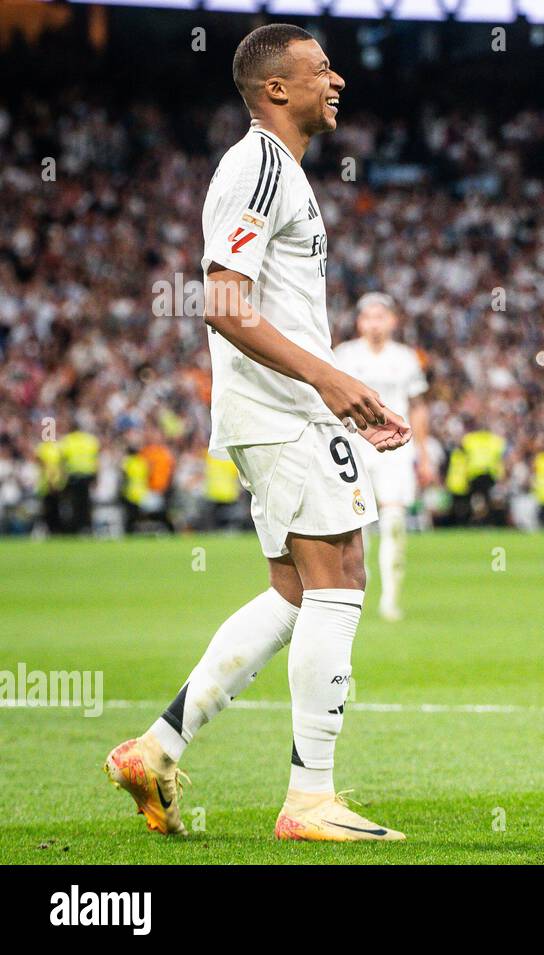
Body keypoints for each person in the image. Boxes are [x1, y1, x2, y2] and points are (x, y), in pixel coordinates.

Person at [103, 24, 411, 843]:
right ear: (276, 88)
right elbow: (224, 301)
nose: (337, 80)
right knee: (341, 574)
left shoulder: (282, 172)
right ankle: (310, 798)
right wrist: (329, 377)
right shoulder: (260, 166)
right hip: (283, 409)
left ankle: (157, 747)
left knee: (295, 590)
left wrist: (339, 384)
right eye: (320, 70)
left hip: (279, 407)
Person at [334, 292, 432, 621]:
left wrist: (424, 453)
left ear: (392, 321)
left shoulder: (405, 358)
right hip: (354, 446)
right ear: (360, 322)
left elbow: (418, 406)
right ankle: (357, 591)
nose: (375, 324)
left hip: (396, 448)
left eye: (381, 317)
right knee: (356, 524)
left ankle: (391, 597)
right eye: (369, 317)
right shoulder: (344, 355)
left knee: (393, 522)